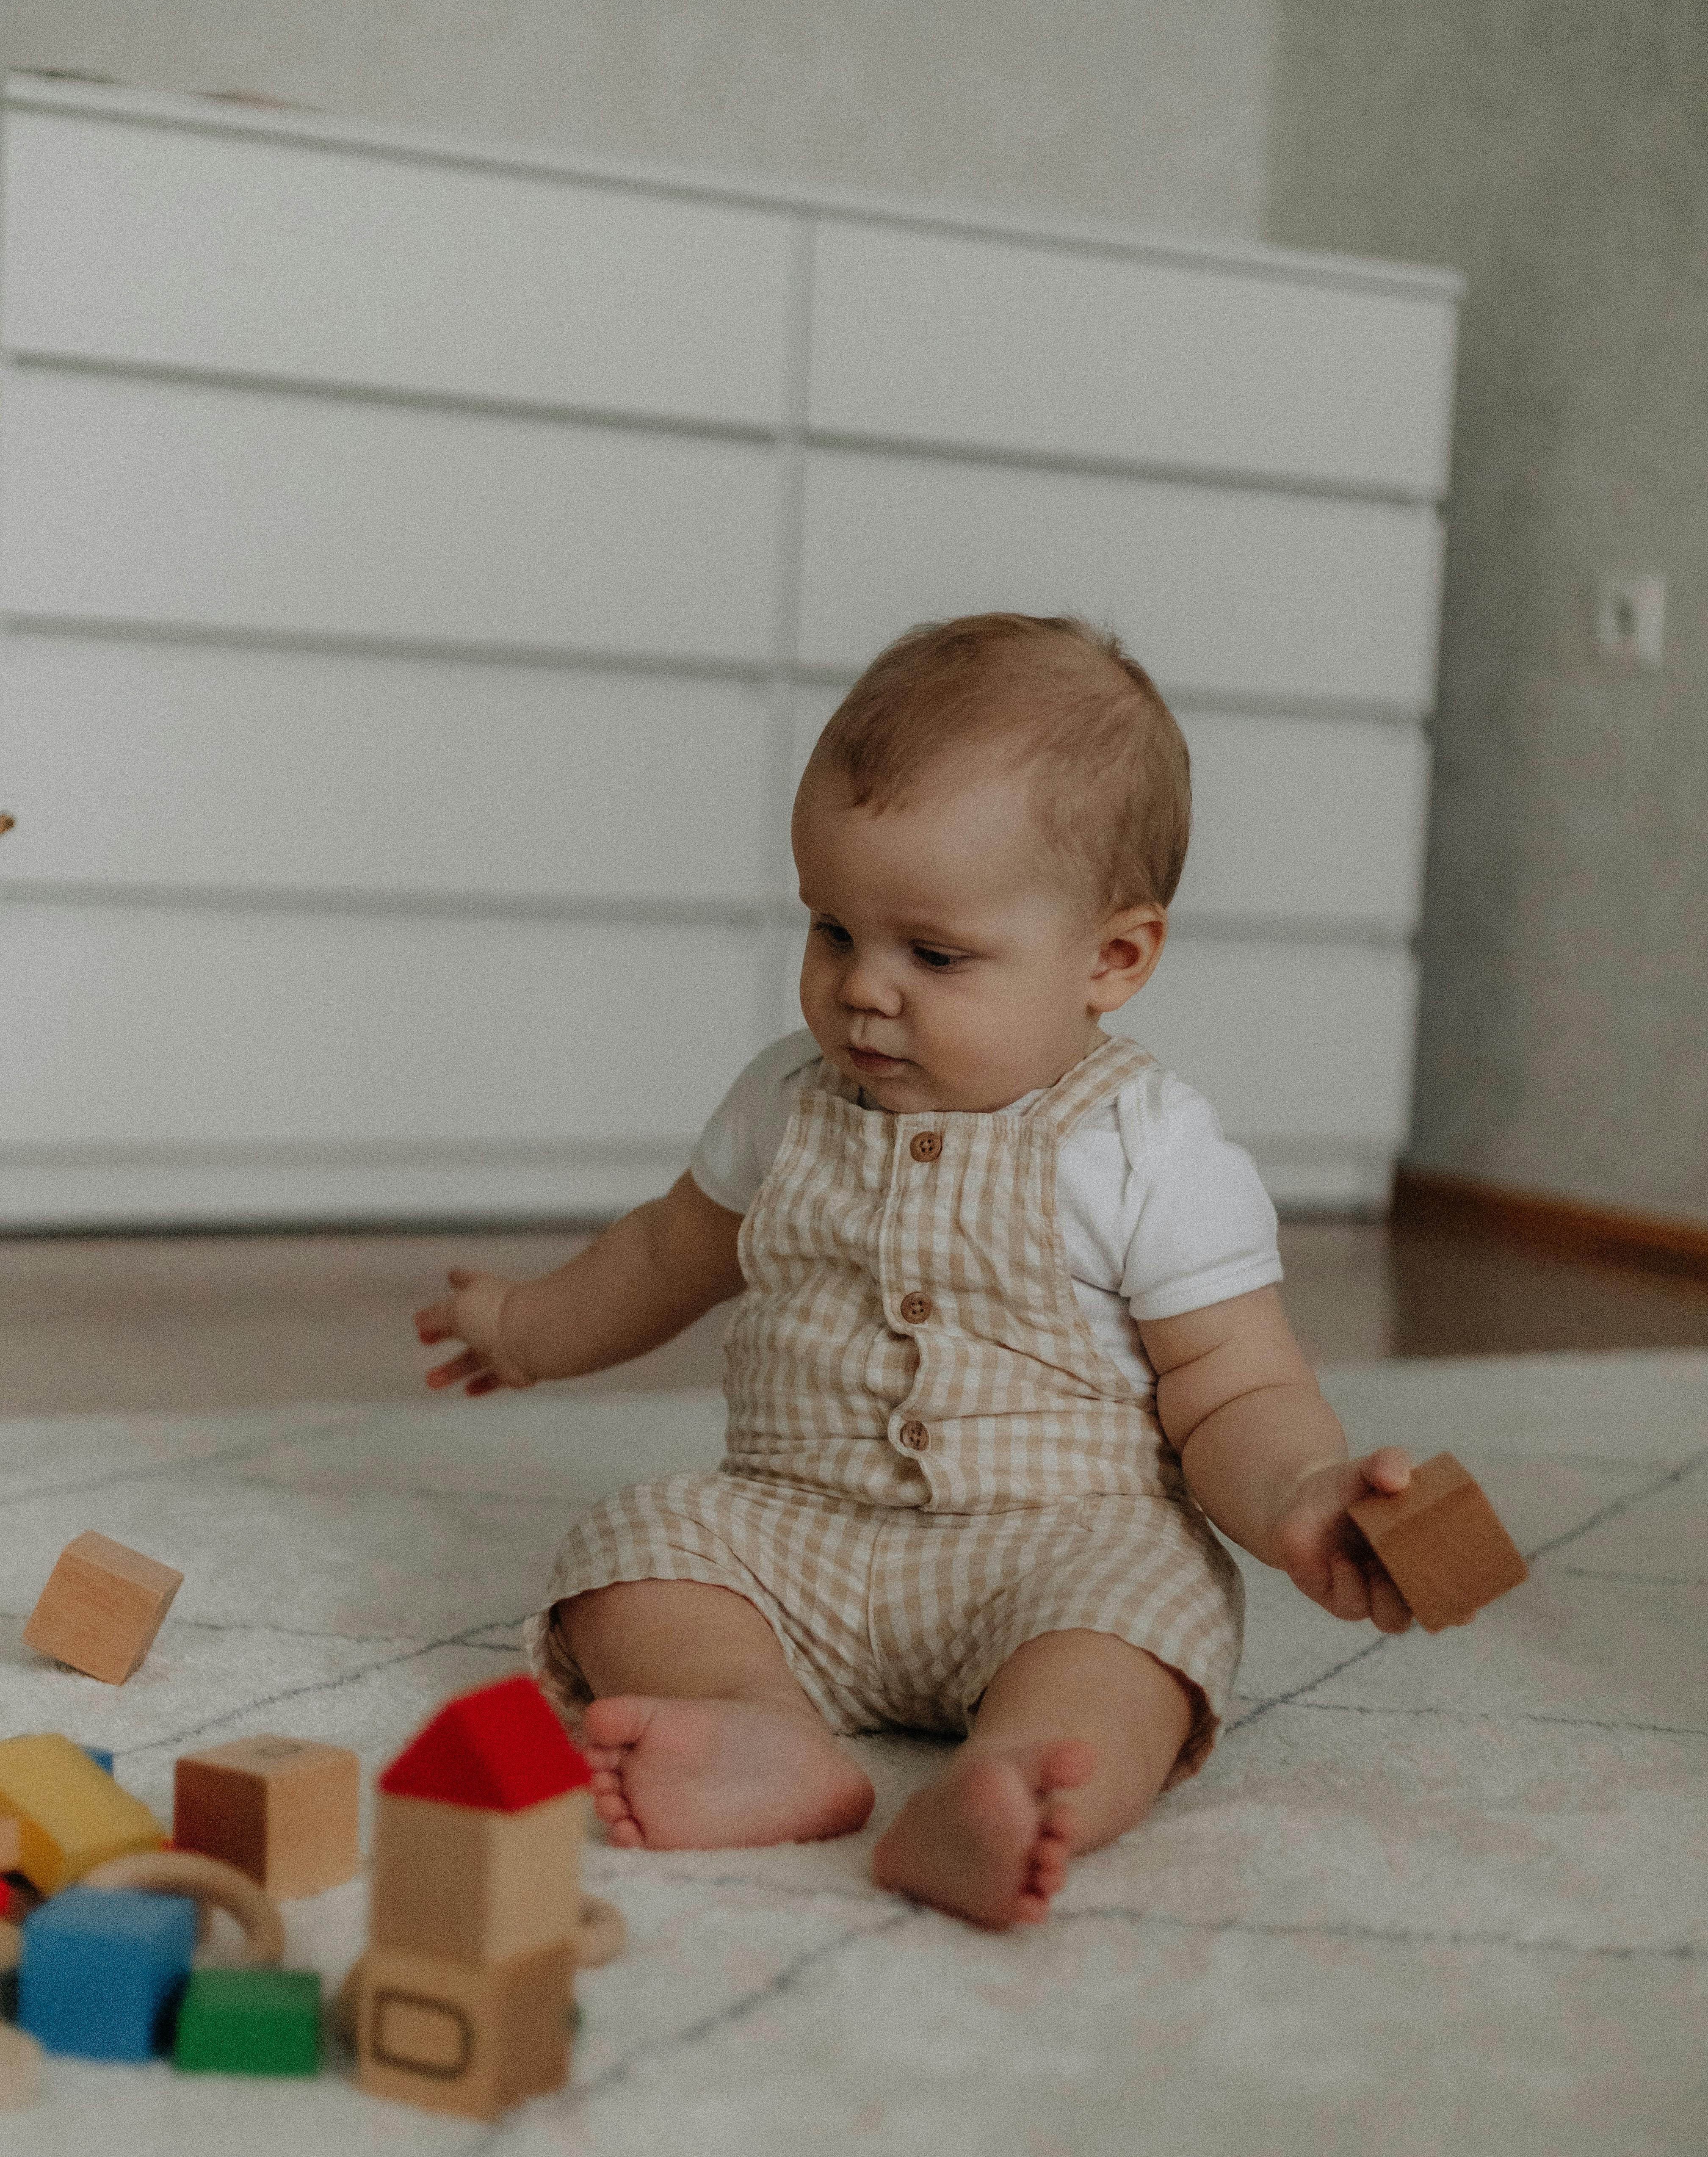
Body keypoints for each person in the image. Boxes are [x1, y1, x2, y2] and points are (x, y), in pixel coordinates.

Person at [415, 614, 1414, 1930]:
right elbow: (666, 1254)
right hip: (797, 1531)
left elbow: (1233, 1385)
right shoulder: (785, 1100)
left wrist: (1297, 1492)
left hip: (1056, 1548)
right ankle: (761, 1726)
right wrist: (529, 1327)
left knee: (1143, 1634)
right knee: (632, 1551)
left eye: (932, 955)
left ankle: (1016, 1785)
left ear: (1112, 958)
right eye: (833, 930)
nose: (862, 992)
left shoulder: (1145, 1148)